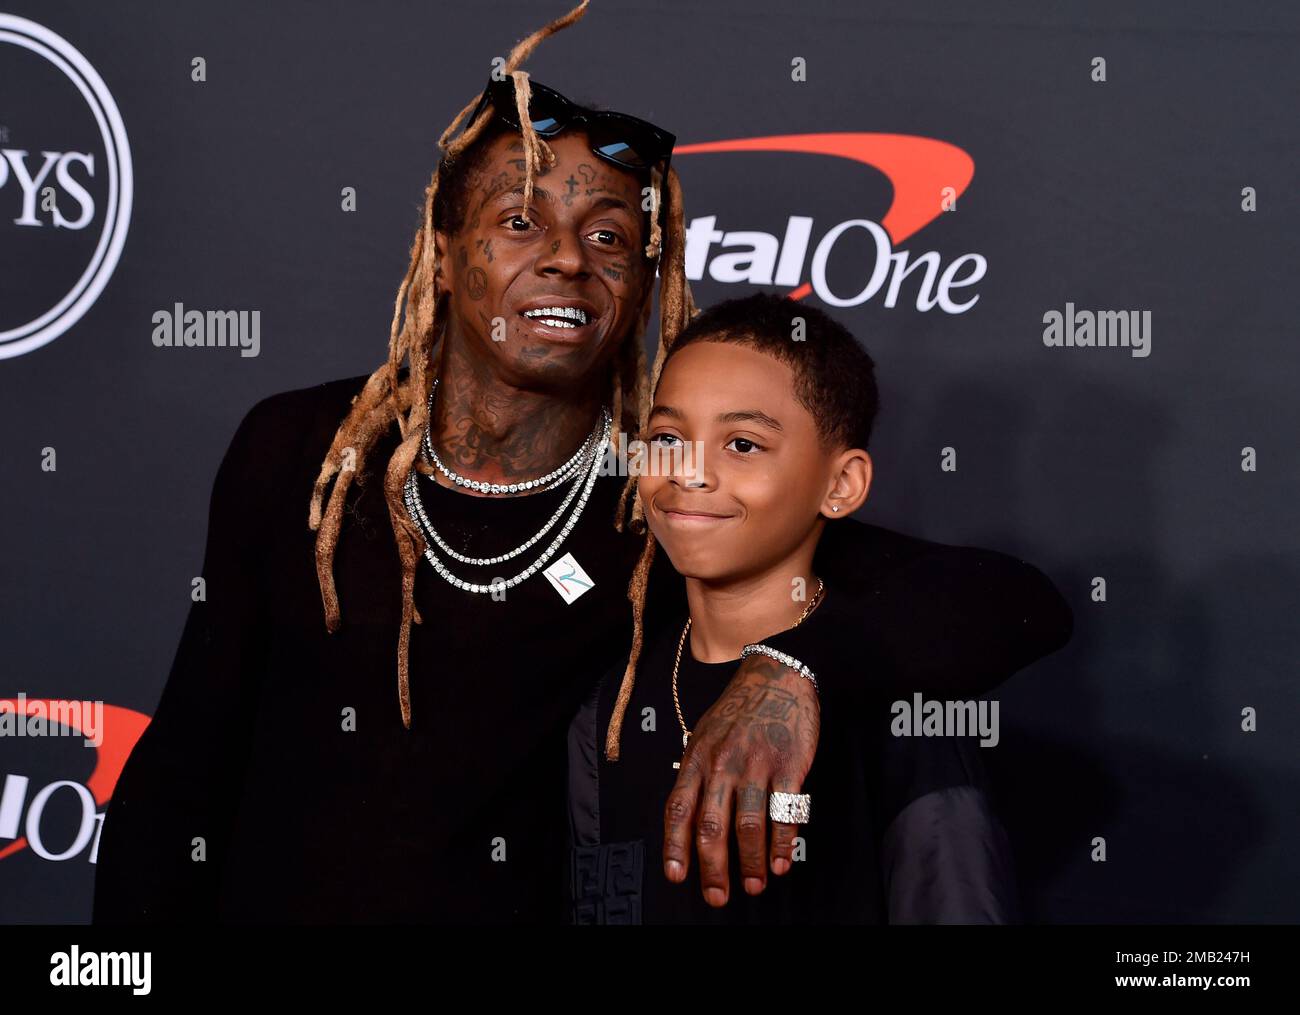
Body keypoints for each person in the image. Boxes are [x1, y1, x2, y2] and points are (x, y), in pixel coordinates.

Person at [93, 2, 1068, 924]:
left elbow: (1008, 603)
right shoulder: (310, 447)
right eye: (519, 222)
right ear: (444, 251)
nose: (567, 259)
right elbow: (186, 756)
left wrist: (793, 674)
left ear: (645, 280)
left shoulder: (664, 486)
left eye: (608, 236)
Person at [568, 293, 1025, 923]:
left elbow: (953, 900)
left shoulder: (899, 711)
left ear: (840, 486)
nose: (689, 472)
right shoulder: (611, 698)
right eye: (668, 436)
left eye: (745, 445)